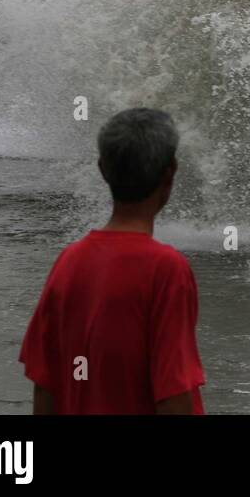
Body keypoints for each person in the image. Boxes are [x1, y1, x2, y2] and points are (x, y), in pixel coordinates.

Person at [19, 108, 206, 414]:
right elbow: (174, 394)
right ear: (170, 171)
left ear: (103, 169)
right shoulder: (166, 268)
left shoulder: (69, 260)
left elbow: (45, 385)